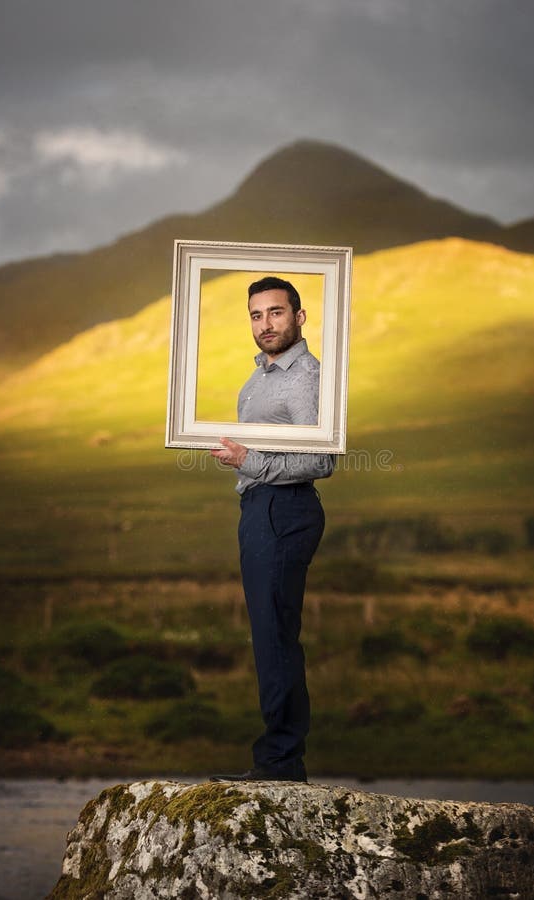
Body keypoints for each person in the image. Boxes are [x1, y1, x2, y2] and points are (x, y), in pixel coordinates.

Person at [209, 275, 334, 783]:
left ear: (299, 317)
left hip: (286, 508)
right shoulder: (256, 380)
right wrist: (244, 465)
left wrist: (250, 462)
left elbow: (319, 461)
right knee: (267, 633)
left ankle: (281, 763)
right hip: (259, 509)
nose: (266, 324)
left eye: (276, 313)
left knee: (276, 632)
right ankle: (277, 759)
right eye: (257, 315)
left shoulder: (304, 376)